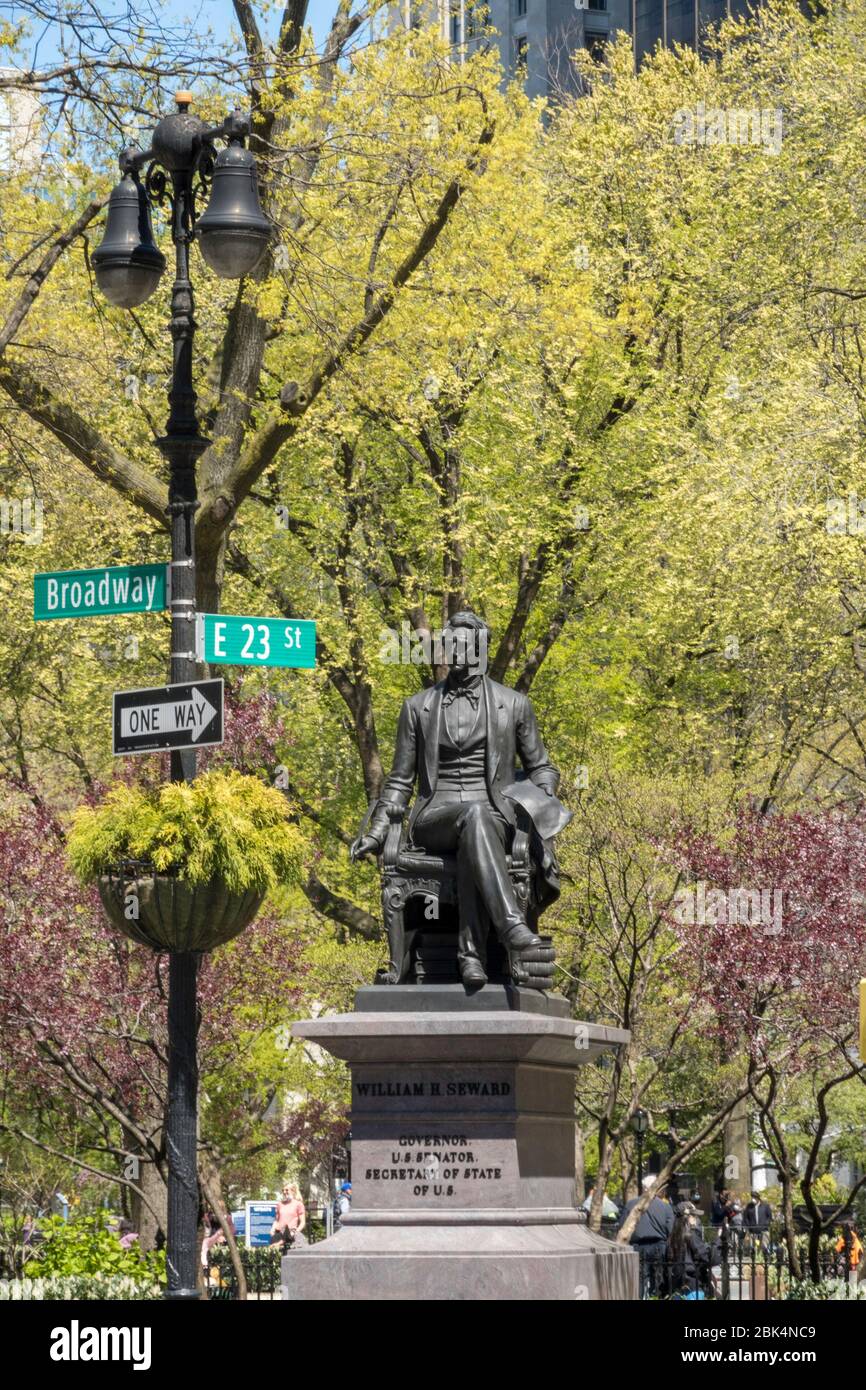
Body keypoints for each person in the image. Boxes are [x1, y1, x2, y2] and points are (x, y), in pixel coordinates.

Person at [350, 611, 567, 987]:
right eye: (453, 643)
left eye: (468, 643)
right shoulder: (417, 707)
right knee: (473, 817)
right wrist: (377, 830)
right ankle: (510, 926)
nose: (460, 650)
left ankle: (471, 958)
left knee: (477, 821)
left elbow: (542, 768)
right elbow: (400, 781)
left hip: (493, 815)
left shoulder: (514, 704)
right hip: (434, 817)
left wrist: (540, 799)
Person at [616, 1176, 674, 1297]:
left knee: (640, 1279)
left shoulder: (631, 1204)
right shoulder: (666, 1207)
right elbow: (671, 1230)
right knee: (658, 1278)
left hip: (637, 1247)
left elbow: (623, 1227)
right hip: (659, 1246)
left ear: (644, 1188)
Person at [666, 1202, 711, 1299]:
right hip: (693, 1285)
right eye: (694, 1215)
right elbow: (706, 1257)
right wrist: (718, 1242)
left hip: (677, 1287)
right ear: (687, 1217)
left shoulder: (672, 1237)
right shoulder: (692, 1235)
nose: (696, 1219)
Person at [270, 1183, 306, 1249]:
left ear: (293, 1191)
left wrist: (295, 1233)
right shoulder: (280, 1204)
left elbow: (302, 1222)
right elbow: (276, 1220)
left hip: (290, 1235)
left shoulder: (298, 1204)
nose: (284, 1192)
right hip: (278, 1234)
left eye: (286, 1190)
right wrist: (272, 1229)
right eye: (283, 1190)